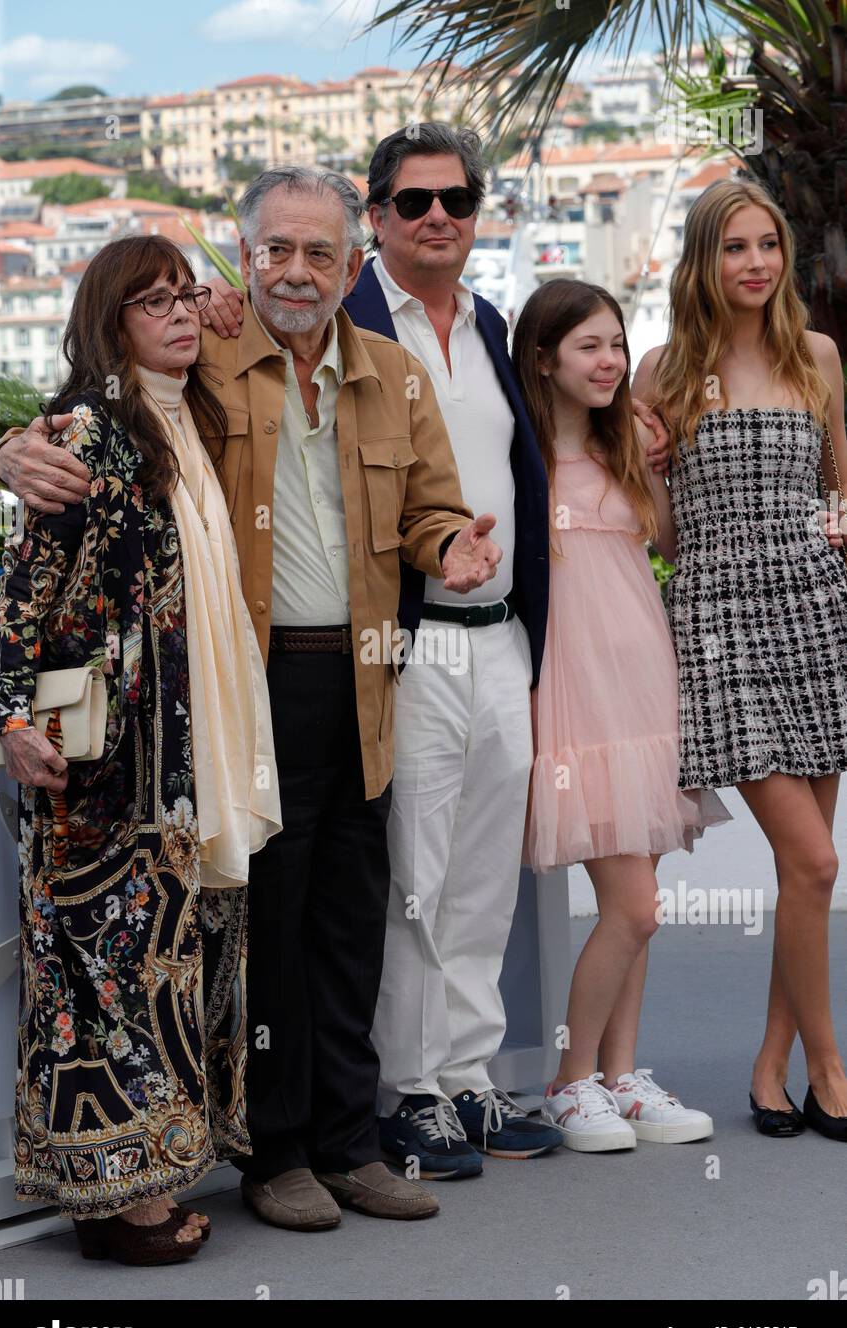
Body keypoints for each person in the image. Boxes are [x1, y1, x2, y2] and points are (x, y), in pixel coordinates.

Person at [0, 167, 499, 1228]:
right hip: (240, 685)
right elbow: (87, 405)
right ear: (248, 259)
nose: (298, 271)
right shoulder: (208, 346)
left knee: (350, 915)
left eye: (320, 253)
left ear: (353, 267)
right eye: (276, 251)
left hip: (362, 676)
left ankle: (350, 1143)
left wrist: (446, 544)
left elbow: (431, 510)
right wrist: (11, 452)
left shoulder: (398, 377)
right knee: (259, 925)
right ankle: (274, 1158)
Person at [202, 126, 672, 1179]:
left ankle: (465, 1076)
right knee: (406, 878)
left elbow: (541, 446)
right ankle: (402, 1088)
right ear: (373, 218)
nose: (436, 219)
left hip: (500, 636)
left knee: (475, 881)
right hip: (398, 645)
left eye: (455, 200)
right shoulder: (343, 313)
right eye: (412, 202)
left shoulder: (493, 322)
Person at [0, 234, 281, 1264]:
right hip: (101, 766)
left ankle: (142, 1183)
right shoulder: (85, 432)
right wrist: (13, 717)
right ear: (109, 322)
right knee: (99, 977)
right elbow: (26, 588)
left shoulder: (189, 422)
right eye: (149, 302)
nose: (173, 316)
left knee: (164, 964)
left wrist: (224, 301)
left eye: (180, 299)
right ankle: (115, 1204)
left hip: (179, 757)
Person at [633, 176, 847, 1140]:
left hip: (816, 613)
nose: (755, 263)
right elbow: (666, 535)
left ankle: (771, 1066)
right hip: (720, 621)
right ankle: (832, 1069)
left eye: (768, 245)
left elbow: (839, 490)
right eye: (734, 247)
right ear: (702, 260)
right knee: (815, 858)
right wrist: (645, 475)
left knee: (804, 878)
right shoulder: (664, 373)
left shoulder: (819, 358)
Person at [513, 279, 730, 1151]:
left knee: (647, 899)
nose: (608, 362)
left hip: (642, 679)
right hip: (571, 692)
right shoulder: (518, 454)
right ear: (544, 358)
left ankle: (621, 1075)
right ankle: (569, 1083)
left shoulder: (628, 449)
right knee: (631, 906)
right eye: (587, 347)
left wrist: (664, 460)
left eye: (616, 344)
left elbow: (671, 546)